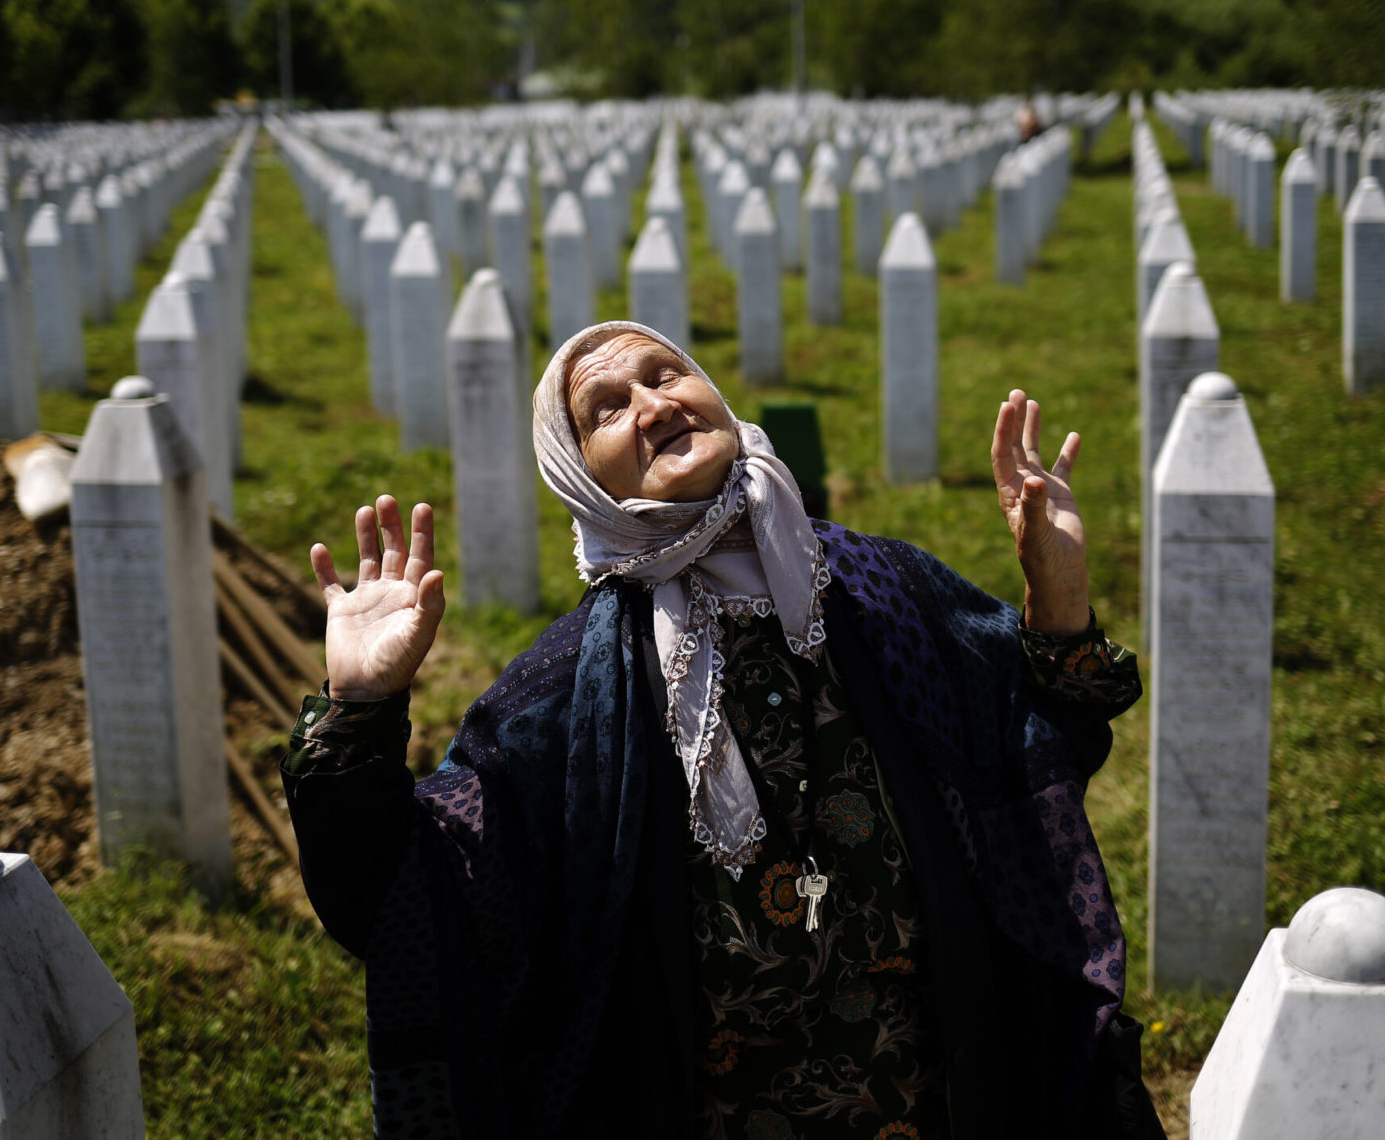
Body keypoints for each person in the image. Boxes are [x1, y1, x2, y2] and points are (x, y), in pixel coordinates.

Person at [282, 321, 1162, 1139]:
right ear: (581, 473)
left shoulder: (878, 587)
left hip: (936, 1093)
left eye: (669, 375)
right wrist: (359, 710)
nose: (656, 403)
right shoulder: (570, 688)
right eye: (610, 407)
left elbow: (1038, 740)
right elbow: (405, 892)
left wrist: (1059, 590)